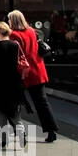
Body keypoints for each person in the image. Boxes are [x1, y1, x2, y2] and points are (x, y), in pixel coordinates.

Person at [8, 9, 58, 143]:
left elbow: (15, 55)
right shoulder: (31, 31)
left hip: (24, 73)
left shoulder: (14, 35)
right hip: (38, 70)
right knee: (42, 103)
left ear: (13, 21)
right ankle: (51, 131)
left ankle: (17, 131)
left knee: (13, 102)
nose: (8, 22)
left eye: (9, 19)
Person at [0, 22, 25, 149]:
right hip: (14, 82)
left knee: (1, 112)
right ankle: (22, 137)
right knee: (15, 113)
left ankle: (4, 141)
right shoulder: (15, 45)